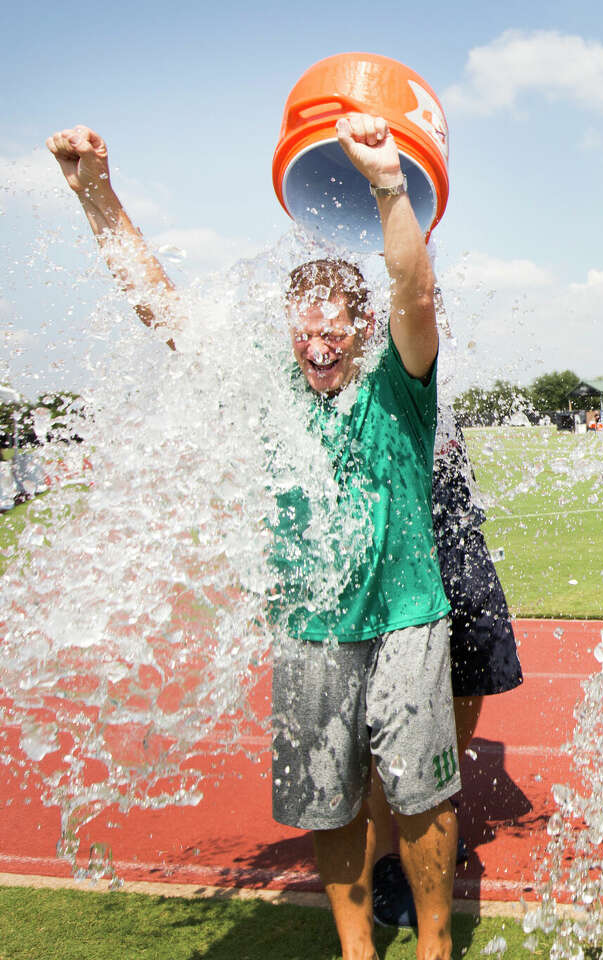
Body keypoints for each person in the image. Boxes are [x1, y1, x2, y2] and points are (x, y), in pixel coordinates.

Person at [50, 118, 459, 960]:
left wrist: (388, 183)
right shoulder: (269, 390)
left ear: (363, 328)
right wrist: (97, 196)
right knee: (329, 801)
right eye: (304, 333)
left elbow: (416, 296)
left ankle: (435, 946)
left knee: (418, 795)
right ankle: (356, 950)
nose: (317, 348)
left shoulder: (400, 381)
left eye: (333, 332)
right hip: (310, 625)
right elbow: (162, 309)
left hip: (407, 617)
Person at [369, 403, 524, 928]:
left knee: (476, 646)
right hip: (385, 478)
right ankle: (386, 853)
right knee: (385, 684)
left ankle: (436, 791)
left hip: (446, 478)